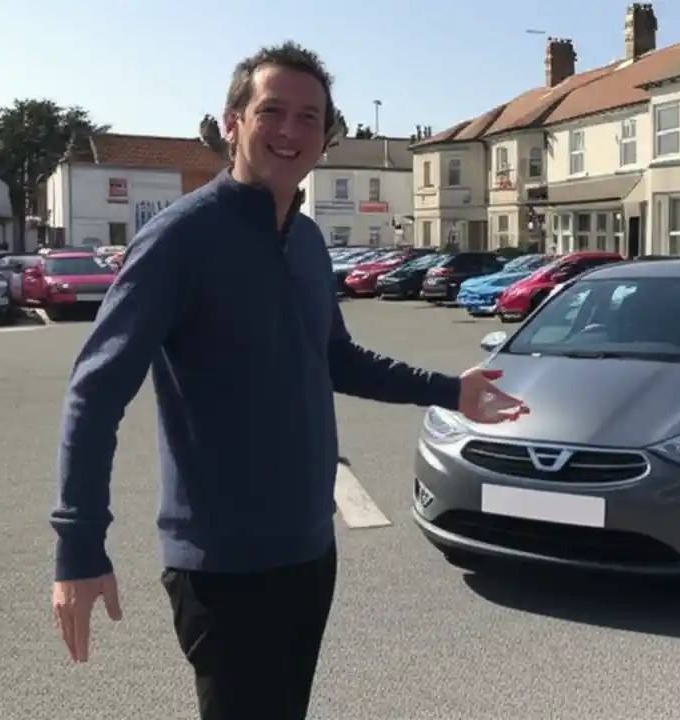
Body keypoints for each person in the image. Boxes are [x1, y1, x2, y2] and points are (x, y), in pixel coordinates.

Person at [48, 41, 528, 720]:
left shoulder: (304, 242)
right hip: (222, 567)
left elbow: (336, 357)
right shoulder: (181, 240)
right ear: (232, 121)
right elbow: (94, 393)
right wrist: (78, 545)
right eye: (272, 110)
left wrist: (453, 390)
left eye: (310, 118)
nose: (290, 131)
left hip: (308, 551)